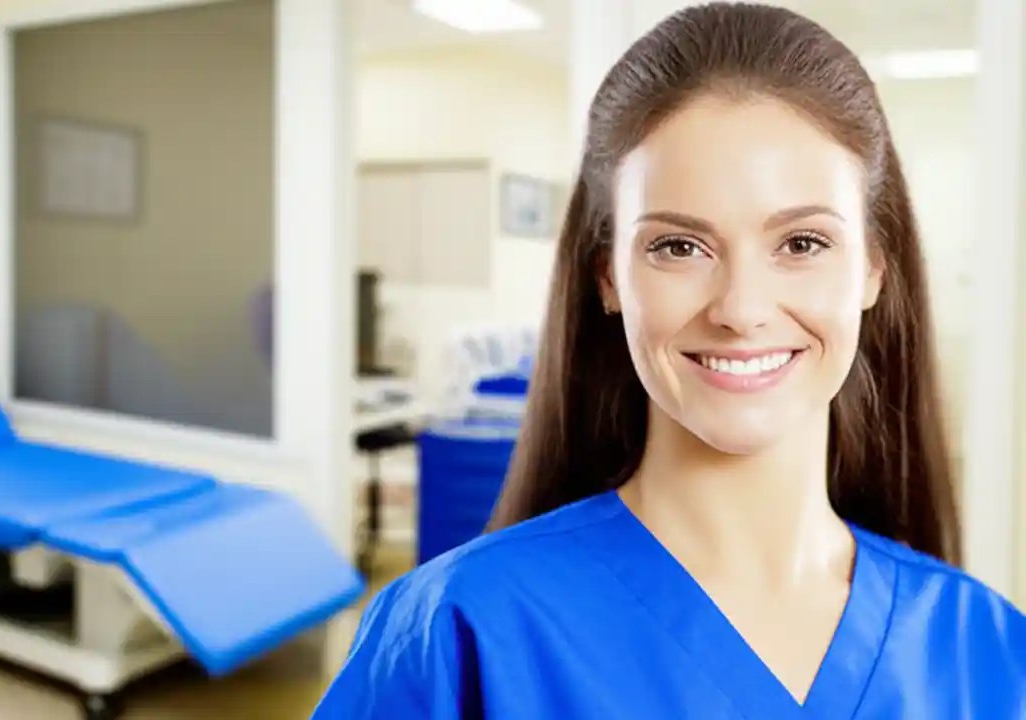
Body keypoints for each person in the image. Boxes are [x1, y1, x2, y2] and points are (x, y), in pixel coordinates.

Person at [312, 3, 1026, 718]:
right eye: (679, 247)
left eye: (802, 244)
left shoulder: (990, 650)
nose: (741, 309)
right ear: (609, 277)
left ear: (874, 268)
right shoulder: (457, 636)